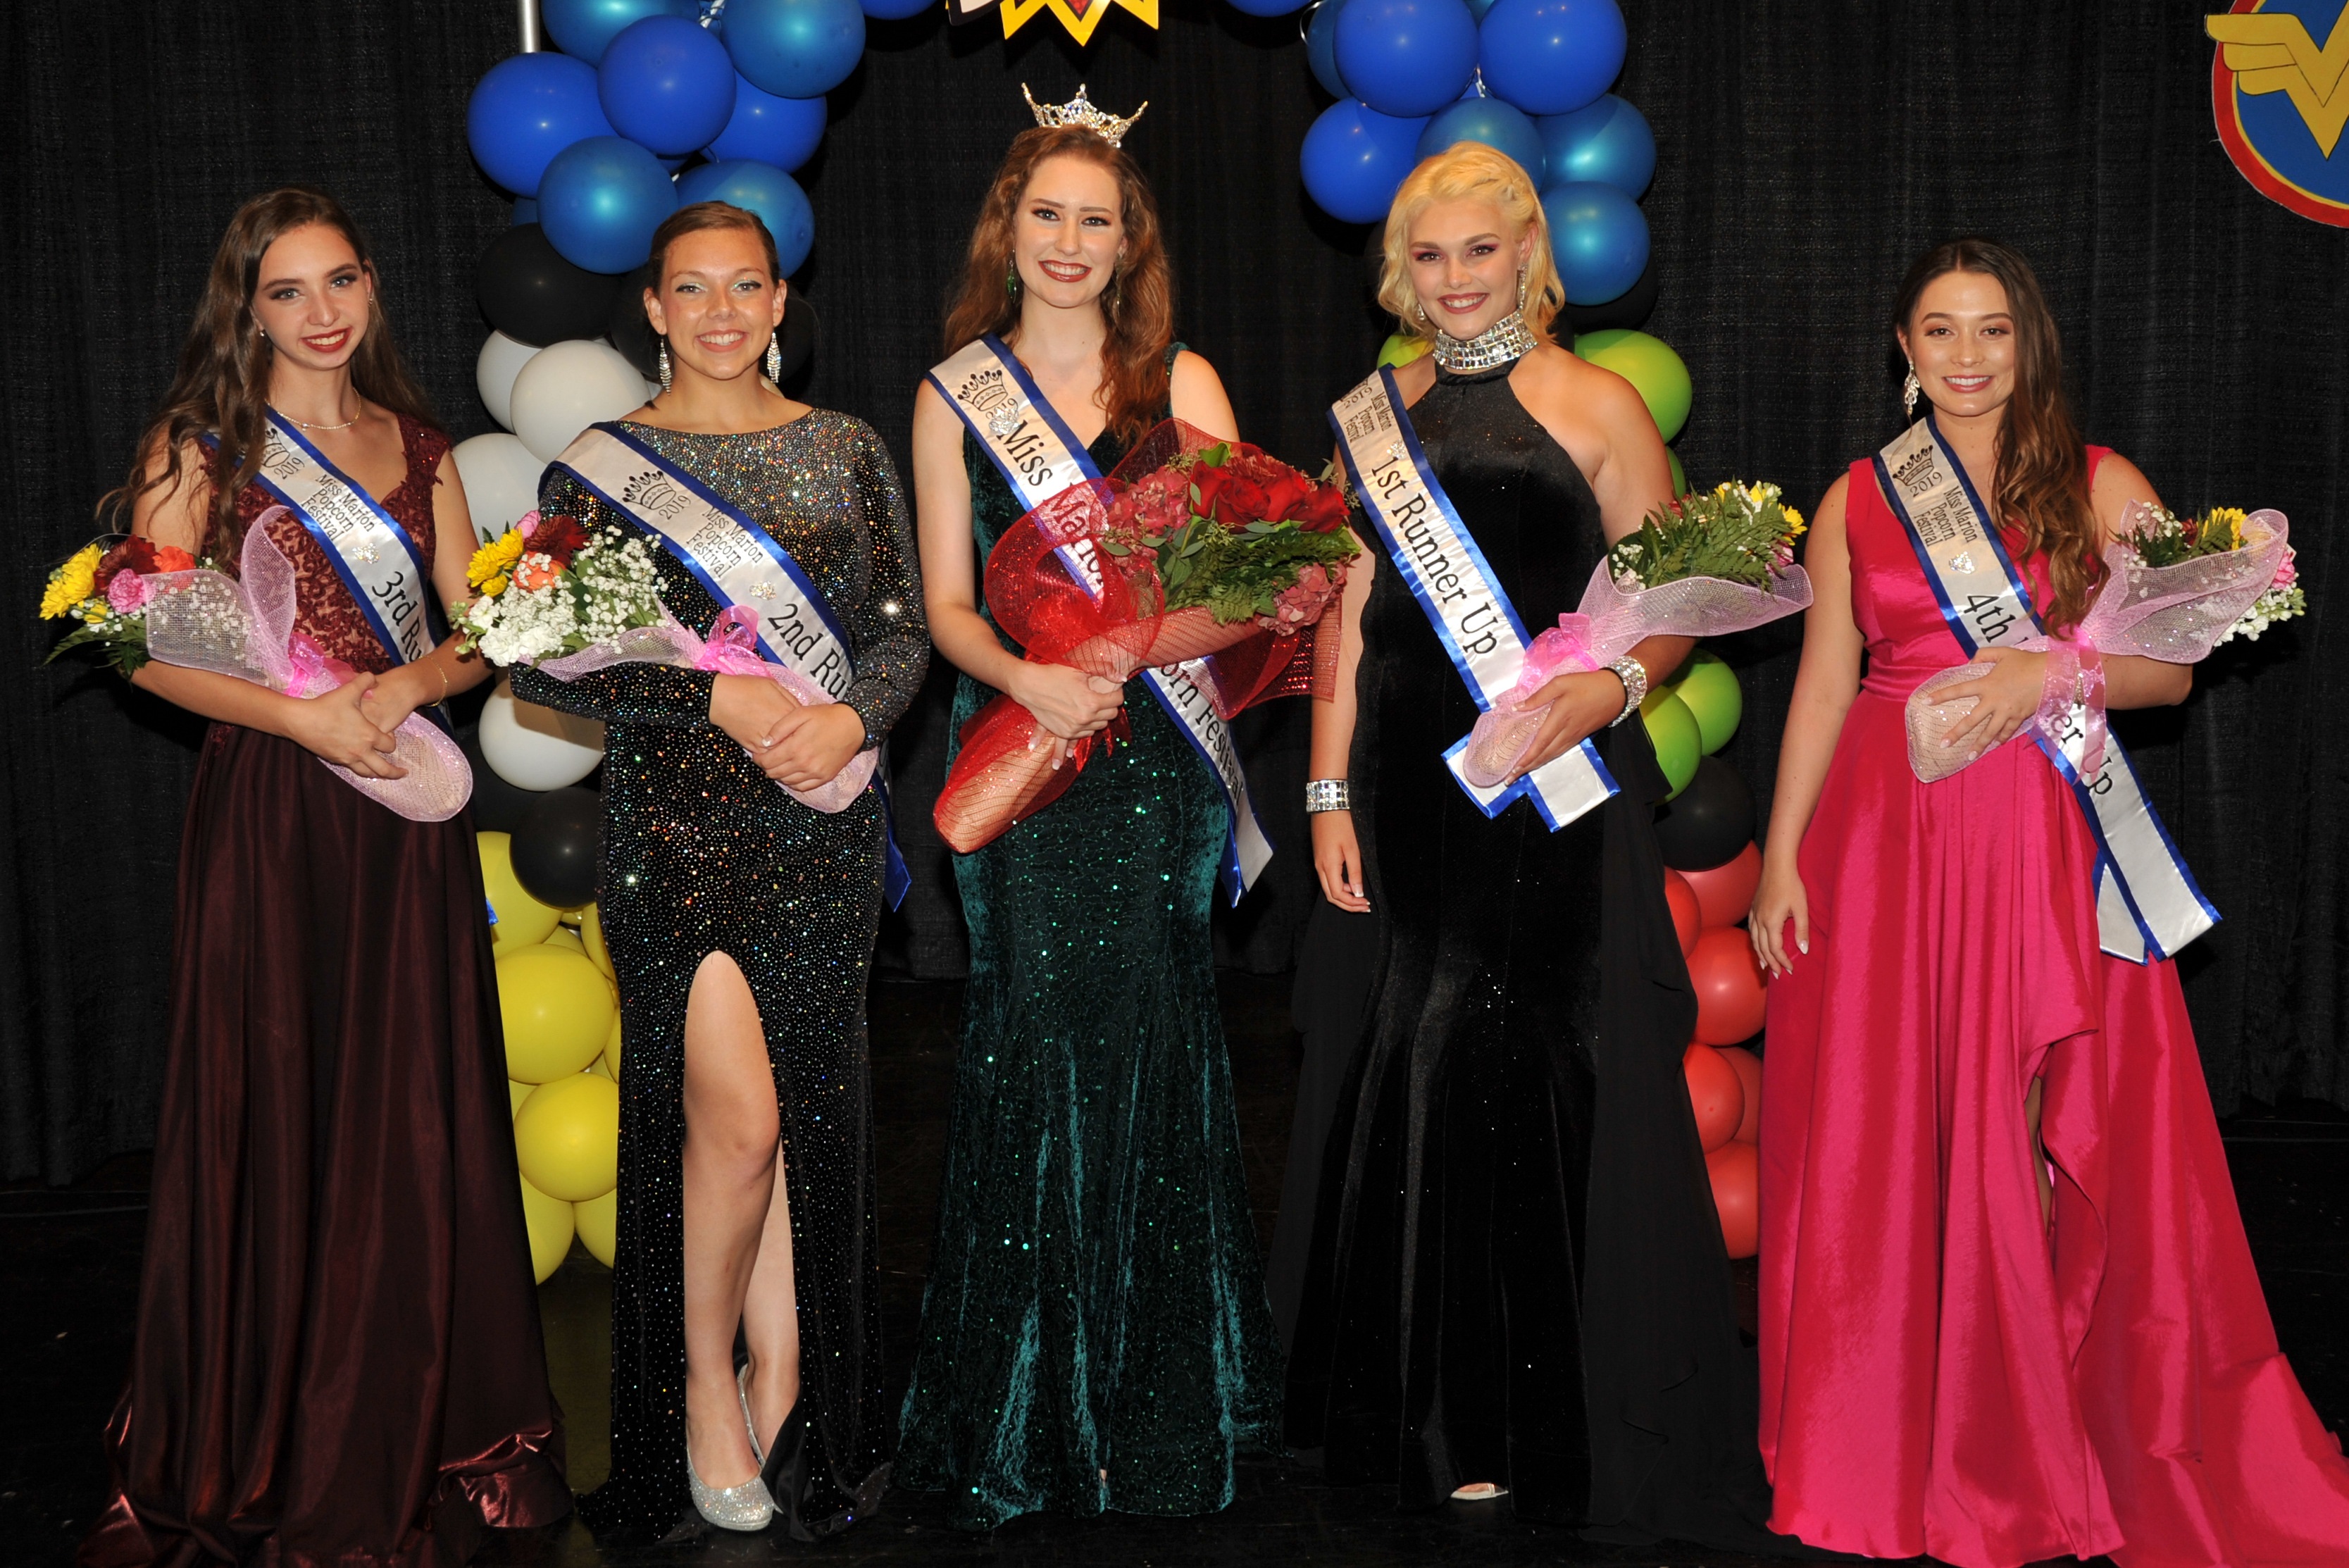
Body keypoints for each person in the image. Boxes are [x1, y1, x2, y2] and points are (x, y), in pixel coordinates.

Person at [1752, 236, 2349, 1568]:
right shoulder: (1857, 493)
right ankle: (1886, 1436)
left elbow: (2170, 679)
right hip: (1881, 831)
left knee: (2021, 1119)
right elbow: (1823, 681)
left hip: (2032, 827)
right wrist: (1784, 849)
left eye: (1992, 332)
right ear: (1900, 351)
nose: (1966, 357)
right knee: (1888, 1131)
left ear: (2029, 346)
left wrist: (2046, 677)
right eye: (1938, 331)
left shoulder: (2097, 482)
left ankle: (2011, 1438)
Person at [1283, 143, 1787, 1548]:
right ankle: (1439, 1415)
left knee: (1547, 1079)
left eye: (1478, 253)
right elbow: (1345, 619)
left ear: (1527, 255)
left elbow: (1679, 593)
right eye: (1428, 256)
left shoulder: (1597, 403)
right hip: (1409, 793)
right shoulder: (1368, 418)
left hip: (1556, 797)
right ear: (1402, 268)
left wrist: (1611, 687)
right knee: (1426, 1072)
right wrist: (1326, 795)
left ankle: (1537, 1414)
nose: (1454, 280)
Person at [79, 187, 568, 1567]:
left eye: (341, 278)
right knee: (280, 1106)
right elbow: (140, 643)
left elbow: (479, 631)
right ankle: (269, 1431)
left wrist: (404, 686)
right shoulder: (203, 446)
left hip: (399, 808)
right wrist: (302, 716)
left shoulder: (420, 445)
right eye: (288, 290)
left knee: (404, 1116)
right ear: (247, 308)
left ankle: (420, 1418)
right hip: (275, 812)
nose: (322, 310)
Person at [895, 101, 1284, 1530]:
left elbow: (1253, 581)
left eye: (1095, 221)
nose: (1069, 243)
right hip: (1020, 738)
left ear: (1131, 246)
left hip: (1154, 759)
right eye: (1045, 216)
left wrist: (1123, 658)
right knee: (1030, 1048)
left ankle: (1161, 1407)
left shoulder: (1184, 381)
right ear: (1011, 231)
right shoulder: (955, 395)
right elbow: (943, 605)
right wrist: (1033, 677)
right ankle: (1028, 1409)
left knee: (1157, 1042)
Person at [510, 202, 925, 1540]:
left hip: (822, 824)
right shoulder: (598, 468)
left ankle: (787, 1384)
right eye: (693, 289)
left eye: (745, 285)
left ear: (782, 297)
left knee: (798, 1119)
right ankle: (700, 1389)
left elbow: (899, 636)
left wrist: (853, 717)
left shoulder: (845, 448)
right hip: (678, 836)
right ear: (653, 308)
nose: (722, 311)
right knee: (735, 1122)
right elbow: (530, 654)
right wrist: (717, 707)